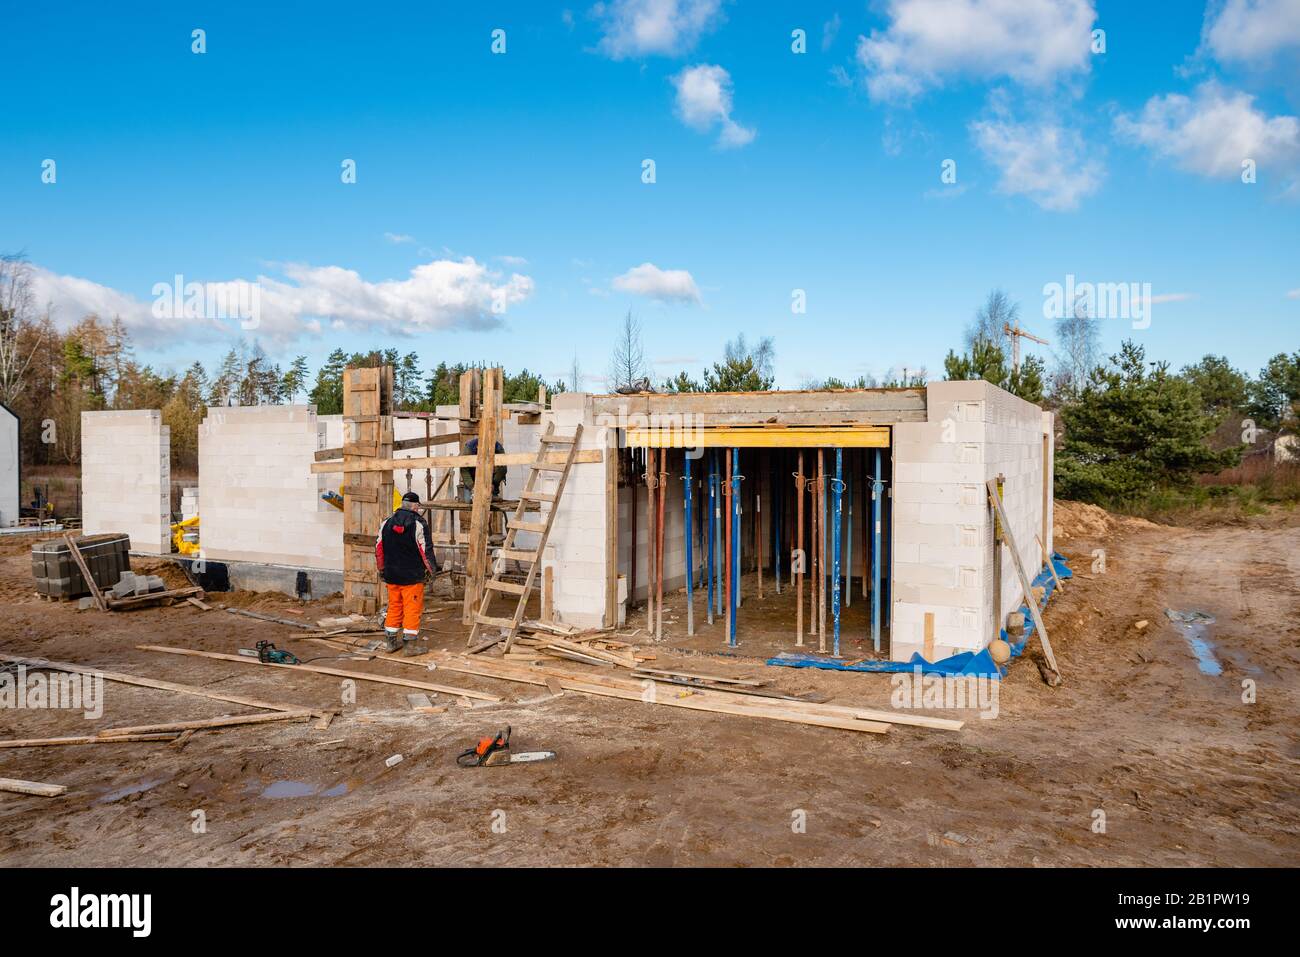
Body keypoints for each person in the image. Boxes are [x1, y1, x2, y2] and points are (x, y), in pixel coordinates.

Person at [375, 492, 437, 654]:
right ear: (415, 506)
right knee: (412, 608)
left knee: (394, 606)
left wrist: (382, 569)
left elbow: (379, 548)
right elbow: (426, 551)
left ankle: (391, 642)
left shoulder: (386, 523)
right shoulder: (418, 524)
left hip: (392, 574)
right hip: (412, 575)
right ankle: (410, 646)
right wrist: (431, 571)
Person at [459, 437, 508, 502]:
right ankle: (472, 492)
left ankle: (493, 493)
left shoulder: (498, 448)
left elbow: (503, 469)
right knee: (469, 500)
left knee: (490, 501)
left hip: (490, 477)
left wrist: (493, 484)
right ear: (477, 447)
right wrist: (472, 486)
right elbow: (464, 470)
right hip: (473, 476)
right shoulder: (468, 449)